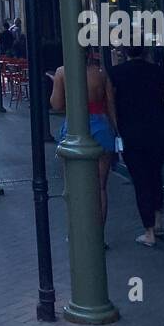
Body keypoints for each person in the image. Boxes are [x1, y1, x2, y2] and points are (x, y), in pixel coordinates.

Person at [108, 43, 164, 246]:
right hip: (160, 131)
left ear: (125, 52)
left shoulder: (115, 73)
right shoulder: (158, 71)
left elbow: (111, 106)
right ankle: (159, 221)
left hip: (132, 133)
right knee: (155, 174)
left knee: (141, 180)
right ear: (145, 52)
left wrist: (117, 131)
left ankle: (149, 231)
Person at [49, 52, 116, 228]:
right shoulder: (101, 72)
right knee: (100, 186)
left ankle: (78, 232)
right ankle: (98, 234)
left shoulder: (62, 72)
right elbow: (110, 104)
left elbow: (56, 105)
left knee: (72, 186)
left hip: (74, 127)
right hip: (102, 127)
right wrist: (116, 132)